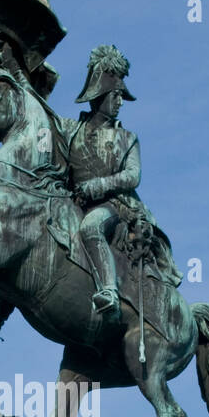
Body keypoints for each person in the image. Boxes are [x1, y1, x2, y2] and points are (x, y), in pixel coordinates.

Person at [66, 45, 181, 320]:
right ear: (101, 95)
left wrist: (98, 186)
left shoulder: (128, 138)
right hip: (75, 201)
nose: (119, 102)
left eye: (121, 97)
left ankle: (108, 290)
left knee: (91, 227)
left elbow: (132, 176)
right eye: (116, 96)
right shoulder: (71, 131)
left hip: (115, 207)